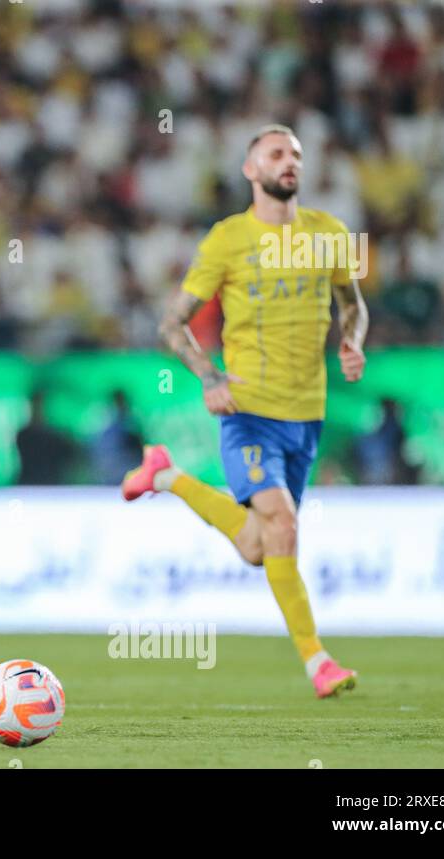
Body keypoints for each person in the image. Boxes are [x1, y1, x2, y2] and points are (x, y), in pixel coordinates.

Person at [124, 125, 369, 699]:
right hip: (248, 408)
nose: (290, 162)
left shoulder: (330, 234)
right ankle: (318, 662)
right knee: (283, 525)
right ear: (250, 169)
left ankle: (166, 474)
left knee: (260, 546)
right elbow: (171, 323)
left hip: (307, 416)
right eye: (276, 154)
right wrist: (210, 377)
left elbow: (353, 308)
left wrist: (352, 341)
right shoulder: (228, 238)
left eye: (297, 155)